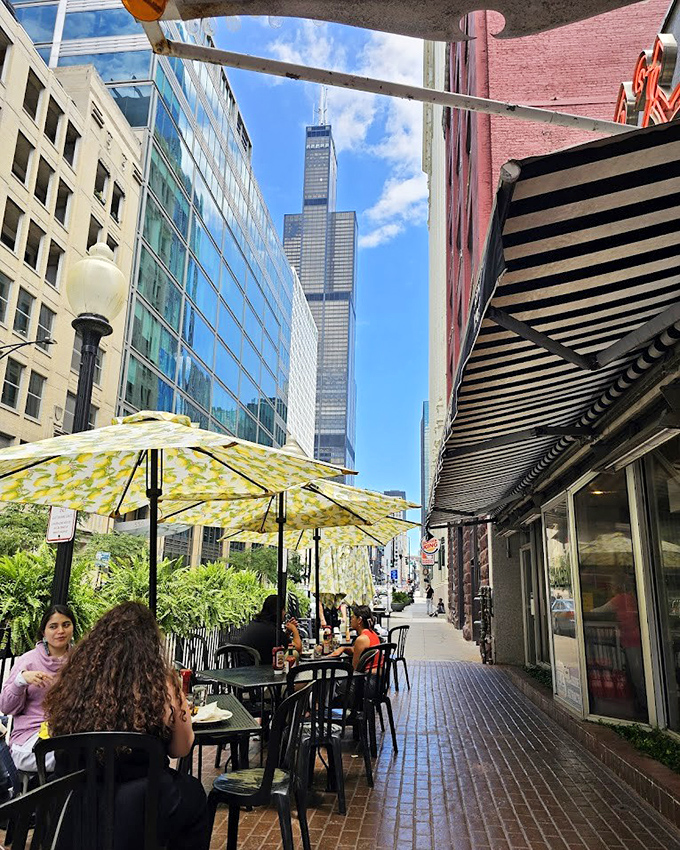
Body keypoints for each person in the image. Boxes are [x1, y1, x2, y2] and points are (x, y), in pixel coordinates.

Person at [44, 602, 211, 850]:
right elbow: (181, 749)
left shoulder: (74, 681)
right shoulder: (162, 685)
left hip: (75, 807)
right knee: (194, 794)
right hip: (140, 807)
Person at [0, 604, 75, 773]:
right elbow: (6, 707)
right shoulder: (28, 661)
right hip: (30, 737)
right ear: (43, 632)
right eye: (53, 626)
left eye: (66, 624)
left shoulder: (81, 660)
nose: (61, 631)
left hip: (70, 733)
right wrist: (20, 681)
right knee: (76, 757)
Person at [239, 594, 302, 664]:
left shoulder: (258, 623)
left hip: (243, 665)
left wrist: (287, 633)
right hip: (259, 668)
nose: (285, 613)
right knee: (292, 657)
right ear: (278, 612)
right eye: (283, 609)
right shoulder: (273, 630)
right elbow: (298, 648)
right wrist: (294, 629)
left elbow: (281, 642)